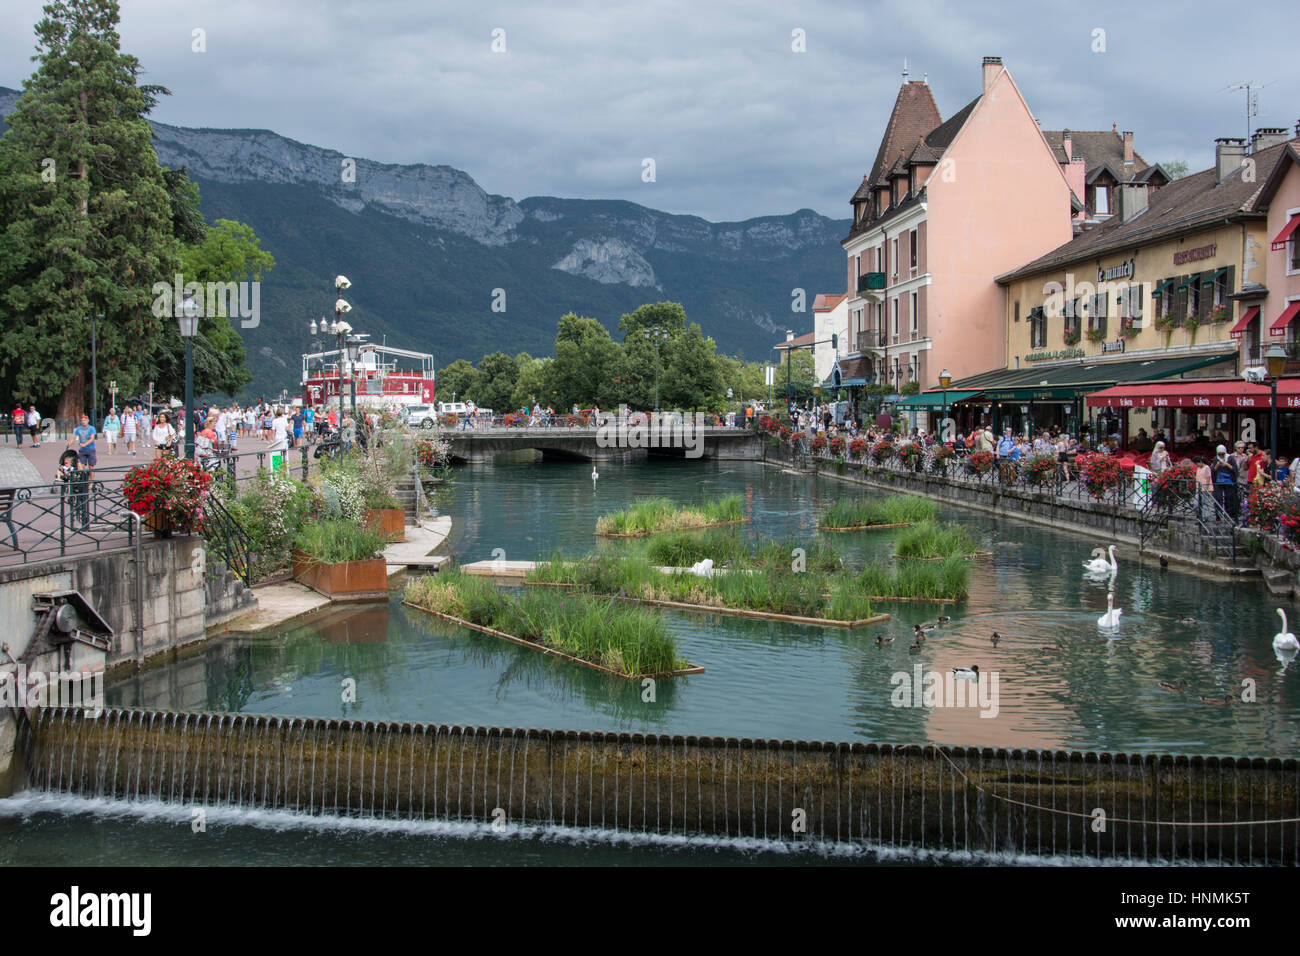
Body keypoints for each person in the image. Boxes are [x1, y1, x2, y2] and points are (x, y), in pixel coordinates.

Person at [1211, 445, 1238, 518]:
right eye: (1219, 454)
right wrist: (1217, 466)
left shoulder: (1230, 458)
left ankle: (1229, 515)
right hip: (1218, 481)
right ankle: (1218, 516)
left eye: (1223, 454)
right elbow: (1213, 471)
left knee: (1229, 497)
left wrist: (1227, 464)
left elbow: (1235, 469)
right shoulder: (1216, 459)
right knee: (1218, 498)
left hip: (1228, 481)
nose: (1221, 456)